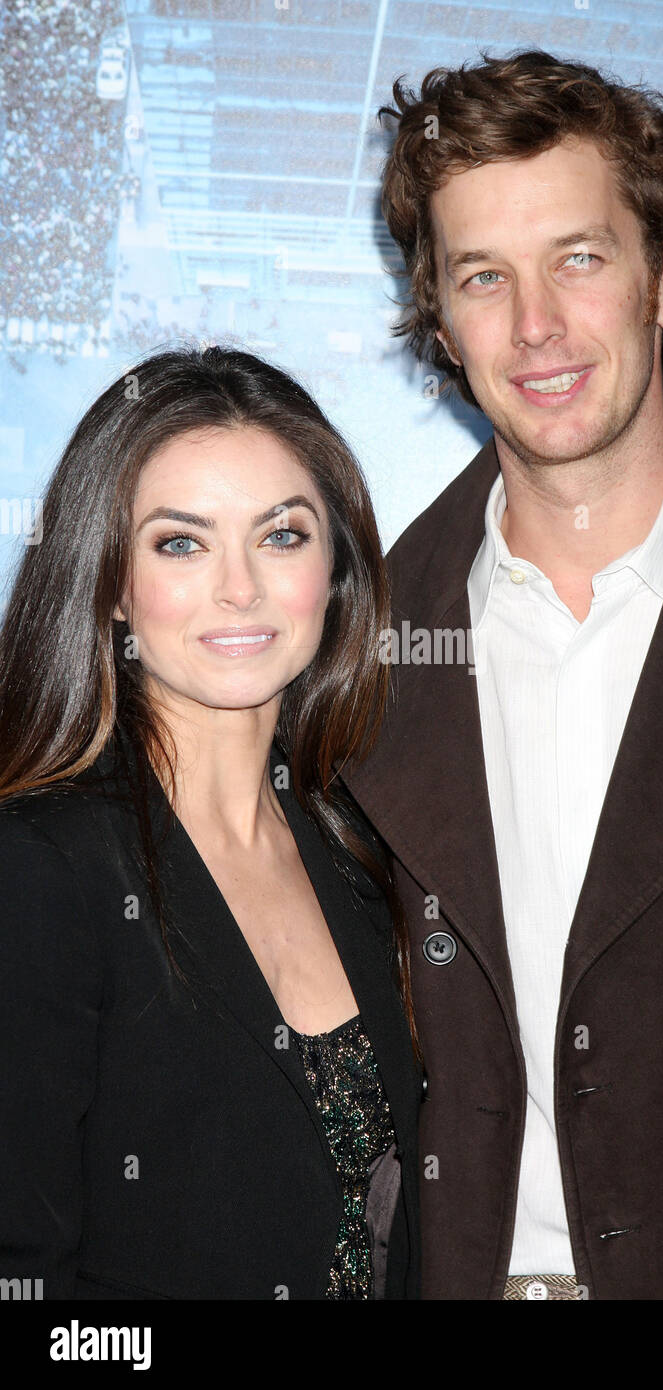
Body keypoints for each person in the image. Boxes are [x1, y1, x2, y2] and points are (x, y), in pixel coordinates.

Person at [339, 49, 663, 1300]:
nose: (534, 326)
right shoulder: (356, 650)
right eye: (483, 276)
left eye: (577, 257)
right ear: (442, 320)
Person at [0, 344, 422, 1300]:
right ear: (111, 583)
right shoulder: (39, 867)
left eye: (282, 536)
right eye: (181, 542)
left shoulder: (363, 849)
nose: (241, 587)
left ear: (337, 568)